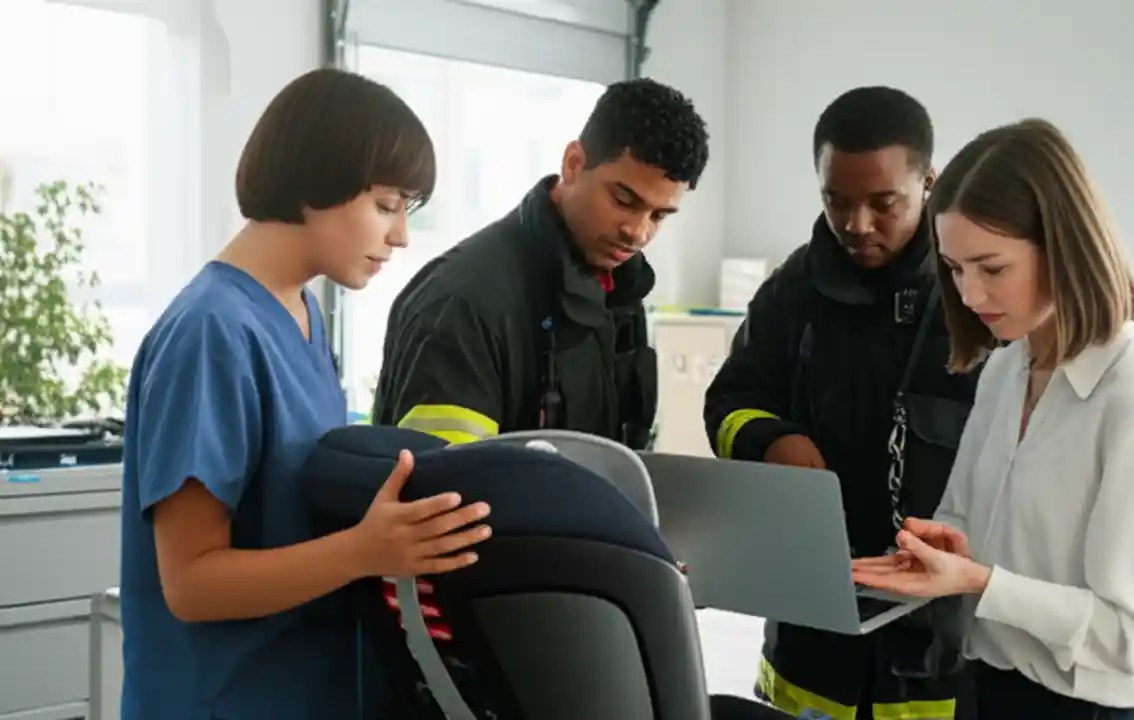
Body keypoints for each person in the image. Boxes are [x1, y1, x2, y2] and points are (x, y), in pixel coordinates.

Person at [118, 68, 493, 720]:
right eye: (385, 205)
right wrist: (364, 550)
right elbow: (191, 584)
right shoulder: (212, 331)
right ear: (316, 183)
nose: (400, 235)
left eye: (408, 209)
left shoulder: (304, 316)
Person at [852, 118, 1134, 720]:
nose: (968, 295)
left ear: (1065, 248)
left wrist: (979, 582)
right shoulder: (1006, 368)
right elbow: (966, 516)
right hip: (993, 688)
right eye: (955, 269)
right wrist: (942, 550)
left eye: (992, 269)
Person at [704, 87, 979, 719]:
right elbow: (730, 400)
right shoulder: (793, 291)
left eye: (884, 203)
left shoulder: (973, 294)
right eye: (837, 201)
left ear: (928, 183)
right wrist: (769, 439)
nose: (857, 224)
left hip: (941, 652)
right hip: (809, 632)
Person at [372, 77, 709, 449]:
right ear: (573, 163)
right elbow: (443, 491)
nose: (638, 232)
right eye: (623, 201)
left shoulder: (619, 291)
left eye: (659, 216)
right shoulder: (464, 301)